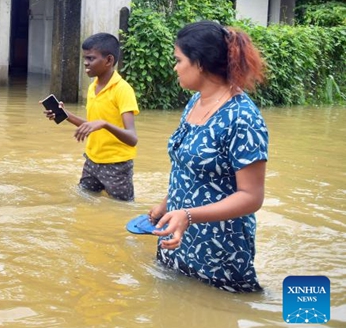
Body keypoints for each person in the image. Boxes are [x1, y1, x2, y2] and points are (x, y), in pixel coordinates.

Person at [149, 20, 268, 293]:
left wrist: (188, 215)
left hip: (218, 250)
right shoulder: (196, 101)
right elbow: (188, 168)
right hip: (178, 238)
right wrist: (166, 205)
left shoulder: (243, 118)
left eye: (178, 60)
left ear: (200, 63)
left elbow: (252, 197)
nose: (175, 67)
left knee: (223, 309)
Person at [45, 33, 139, 201]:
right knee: (84, 201)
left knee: (121, 208)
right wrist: (65, 115)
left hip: (117, 165)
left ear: (108, 60)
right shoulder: (92, 88)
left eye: (91, 58)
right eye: (85, 58)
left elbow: (132, 138)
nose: (85, 63)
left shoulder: (123, 90)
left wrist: (104, 124)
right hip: (92, 160)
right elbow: (92, 125)